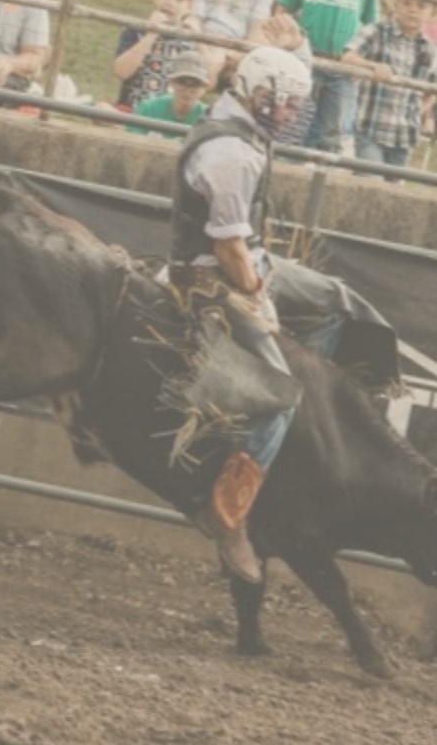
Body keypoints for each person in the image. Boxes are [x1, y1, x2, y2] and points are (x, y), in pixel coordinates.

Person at [165, 45, 315, 587]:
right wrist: (255, 292)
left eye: (296, 103)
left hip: (242, 259)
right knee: (281, 397)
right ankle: (227, 515)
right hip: (212, 278)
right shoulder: (234, 153)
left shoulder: (241, 130)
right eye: (285, 102)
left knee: (329, 301)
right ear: (255, 94)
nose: (292, 113)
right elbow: (228, 246)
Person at [280, 0, 382, 152]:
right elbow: (284, 8)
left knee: (333, 131)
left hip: (342, 64)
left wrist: (362, 59)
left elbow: (372, 22)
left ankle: (319, 170)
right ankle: (286, 162)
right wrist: (287, 43)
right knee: (292, 121)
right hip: (306, 57)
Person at [342, 0, 437, 168]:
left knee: (394, 181)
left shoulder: (429, 50)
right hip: (370, 127)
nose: (413, 10)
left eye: (421, 6)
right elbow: (347, 57)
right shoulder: (376, 32)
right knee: (371, 178)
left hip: (404, 135)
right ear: (395, 4)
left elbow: (431, 89)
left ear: (432, 13)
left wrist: (419, 112)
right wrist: (372, 65)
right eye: (406, 3)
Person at [115, 0, 202, 109]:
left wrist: (199, 39)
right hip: (134, 107)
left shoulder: (191, 39)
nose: (170, 3)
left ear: (189, 6)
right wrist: (151, 34)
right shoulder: (136, 30)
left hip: (172, 112)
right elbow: (121, 72)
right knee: (102, 108)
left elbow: (209, 83)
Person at [133, 50, 217, 134]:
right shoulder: (148, 109)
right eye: (182, 82)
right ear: (171, 82)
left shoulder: (210, 119)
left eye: (196, 84)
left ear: (204, 88)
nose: (187, 90)